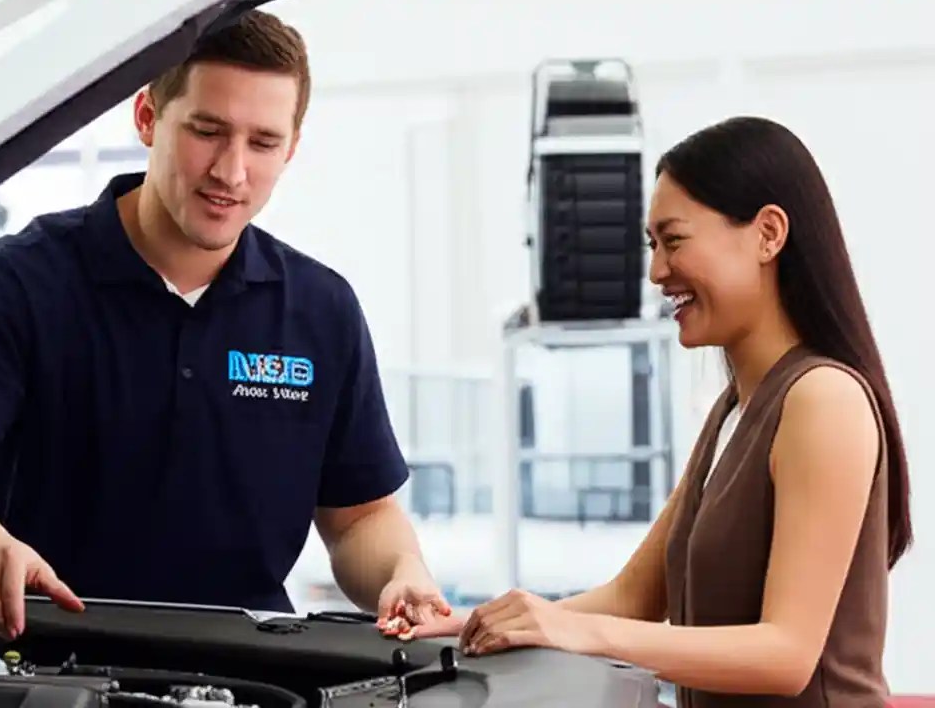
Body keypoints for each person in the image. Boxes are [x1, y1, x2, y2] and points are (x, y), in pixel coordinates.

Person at [0, 10, 449, 641]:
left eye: (262, 143)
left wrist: (403, 570)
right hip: (54, 663)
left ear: (291, 147)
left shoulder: (321, 311)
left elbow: (360, 519)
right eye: (207, 131)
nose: (231, 172)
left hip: (253, 672)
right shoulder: (23, 282)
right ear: (147, 117)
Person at [388, 116, 911, 706]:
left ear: (768, 234)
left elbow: (787, 655)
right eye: (651, 244)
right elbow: (633, 597)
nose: (657, 271)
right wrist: (473, 623)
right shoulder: (735, 411)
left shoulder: (823, 399)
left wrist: (577, 631)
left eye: (674, 240)